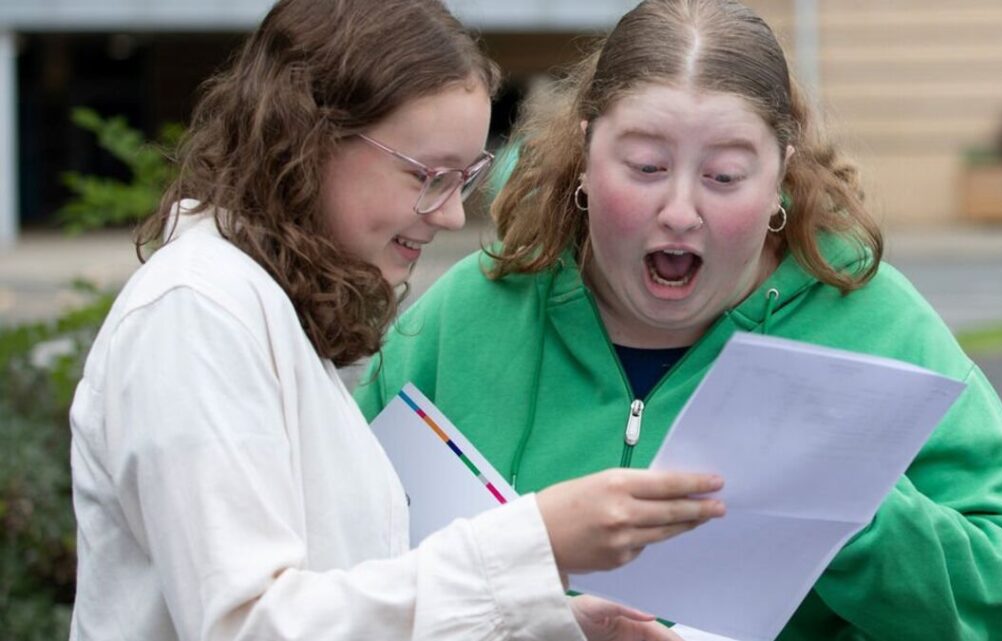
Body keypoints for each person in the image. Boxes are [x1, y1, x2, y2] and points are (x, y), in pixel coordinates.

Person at [355, 0, 1002, 639]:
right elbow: (338, 545)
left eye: (725, 175)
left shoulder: (877, 321)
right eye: (643, 165)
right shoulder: (472, 312)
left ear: (781, 177)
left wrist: (848, 509)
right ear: (583, 155)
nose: (680, 209)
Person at [67, 1, 729, 639]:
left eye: (464, 177)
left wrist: (542, 622)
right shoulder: (196, 316)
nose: (447, 214)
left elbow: (345, 598)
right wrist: (535, 543)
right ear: (307, 139)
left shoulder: (265, 309)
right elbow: (251, 624)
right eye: (428, 175)